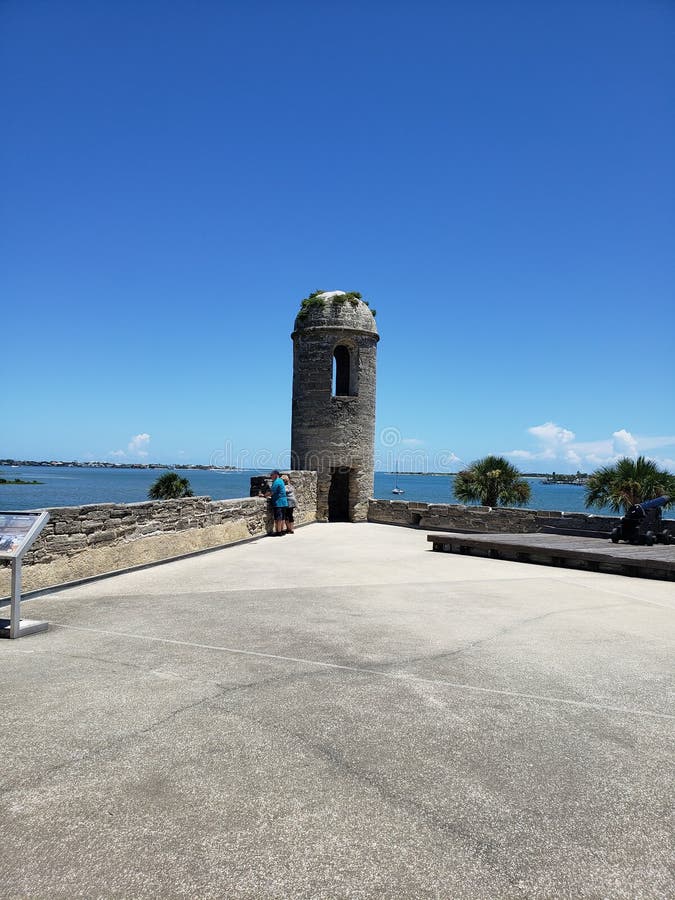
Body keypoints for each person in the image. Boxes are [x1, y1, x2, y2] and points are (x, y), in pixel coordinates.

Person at [266, 469, 288, 535]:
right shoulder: (281, 481)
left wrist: (263, 495)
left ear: (276, 475)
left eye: (271, 475)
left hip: (278, 502)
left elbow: (272, 492)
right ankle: (282, 530)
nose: (271, 477)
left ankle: (278, 532)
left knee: (278, 518)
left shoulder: (276, 482)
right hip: (284, 502)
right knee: (283, 517)